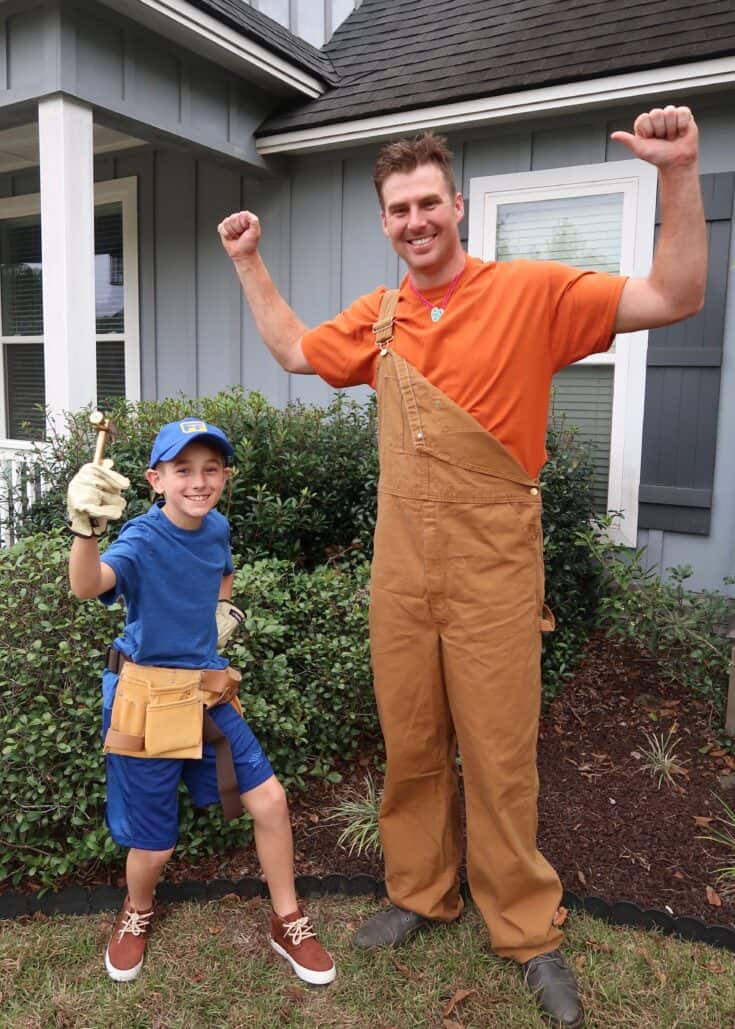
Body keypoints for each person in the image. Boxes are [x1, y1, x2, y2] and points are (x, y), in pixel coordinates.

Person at [217, 106, 705, 1027]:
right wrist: (248, 260)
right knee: (410, 743)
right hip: (401, 570)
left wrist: (678, 173)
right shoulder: (380, 317)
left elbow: (674, 294)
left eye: (428, 202)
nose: (415, 221)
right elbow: (290, 349)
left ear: (459, 206)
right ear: (385, 222)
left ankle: (524, 928)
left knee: (498, 754)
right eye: (398, 208)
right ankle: (418, 891)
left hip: (492, 571)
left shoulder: (531, 293)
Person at [67, 418, 336, 987]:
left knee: (271, 802)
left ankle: (286, 919)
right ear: (155, 479)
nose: (198, 481)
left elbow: (222, 574)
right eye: (182, 469)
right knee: (155, 845)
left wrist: (223, 614)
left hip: (205, 692)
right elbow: (87, 586)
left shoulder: (216, 527)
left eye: (210, 468)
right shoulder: (141, 538)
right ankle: (137, 910)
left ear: (224, 476)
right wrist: (85, 531)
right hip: (144, 699)